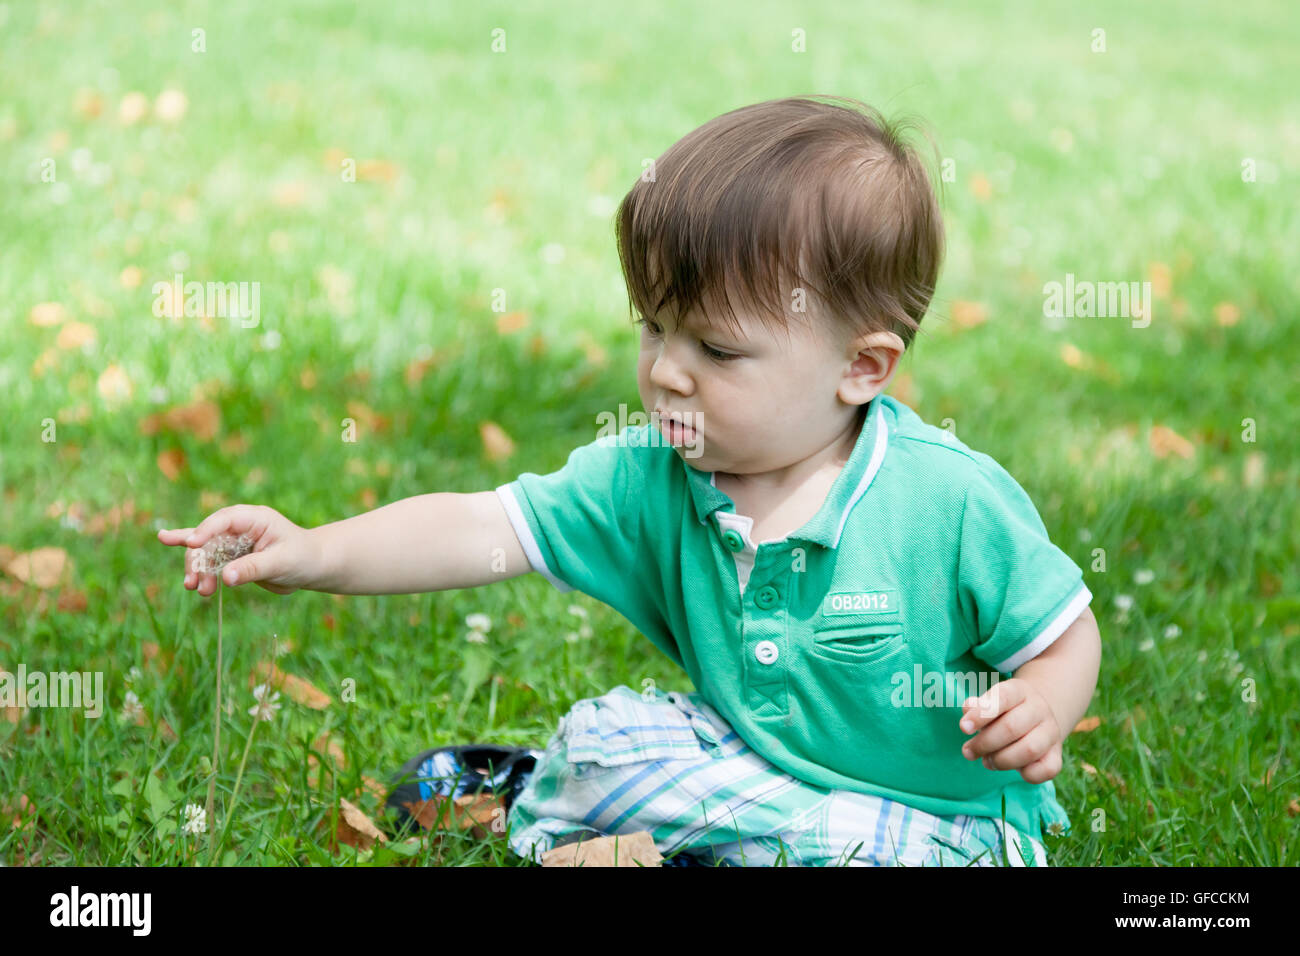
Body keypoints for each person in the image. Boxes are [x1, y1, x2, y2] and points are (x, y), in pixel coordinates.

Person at [158, 95, 1101, 867]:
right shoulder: (649, 476)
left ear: (863, 367)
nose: (666, 373)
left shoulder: (948, 500)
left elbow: (1066, 635)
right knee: (598, 750)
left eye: (717, 349)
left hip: (938, 821)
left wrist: (1046, 705)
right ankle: (687, 837)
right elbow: (482, 527)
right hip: (752, 766)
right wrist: (315, 549)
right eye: (653, 327)